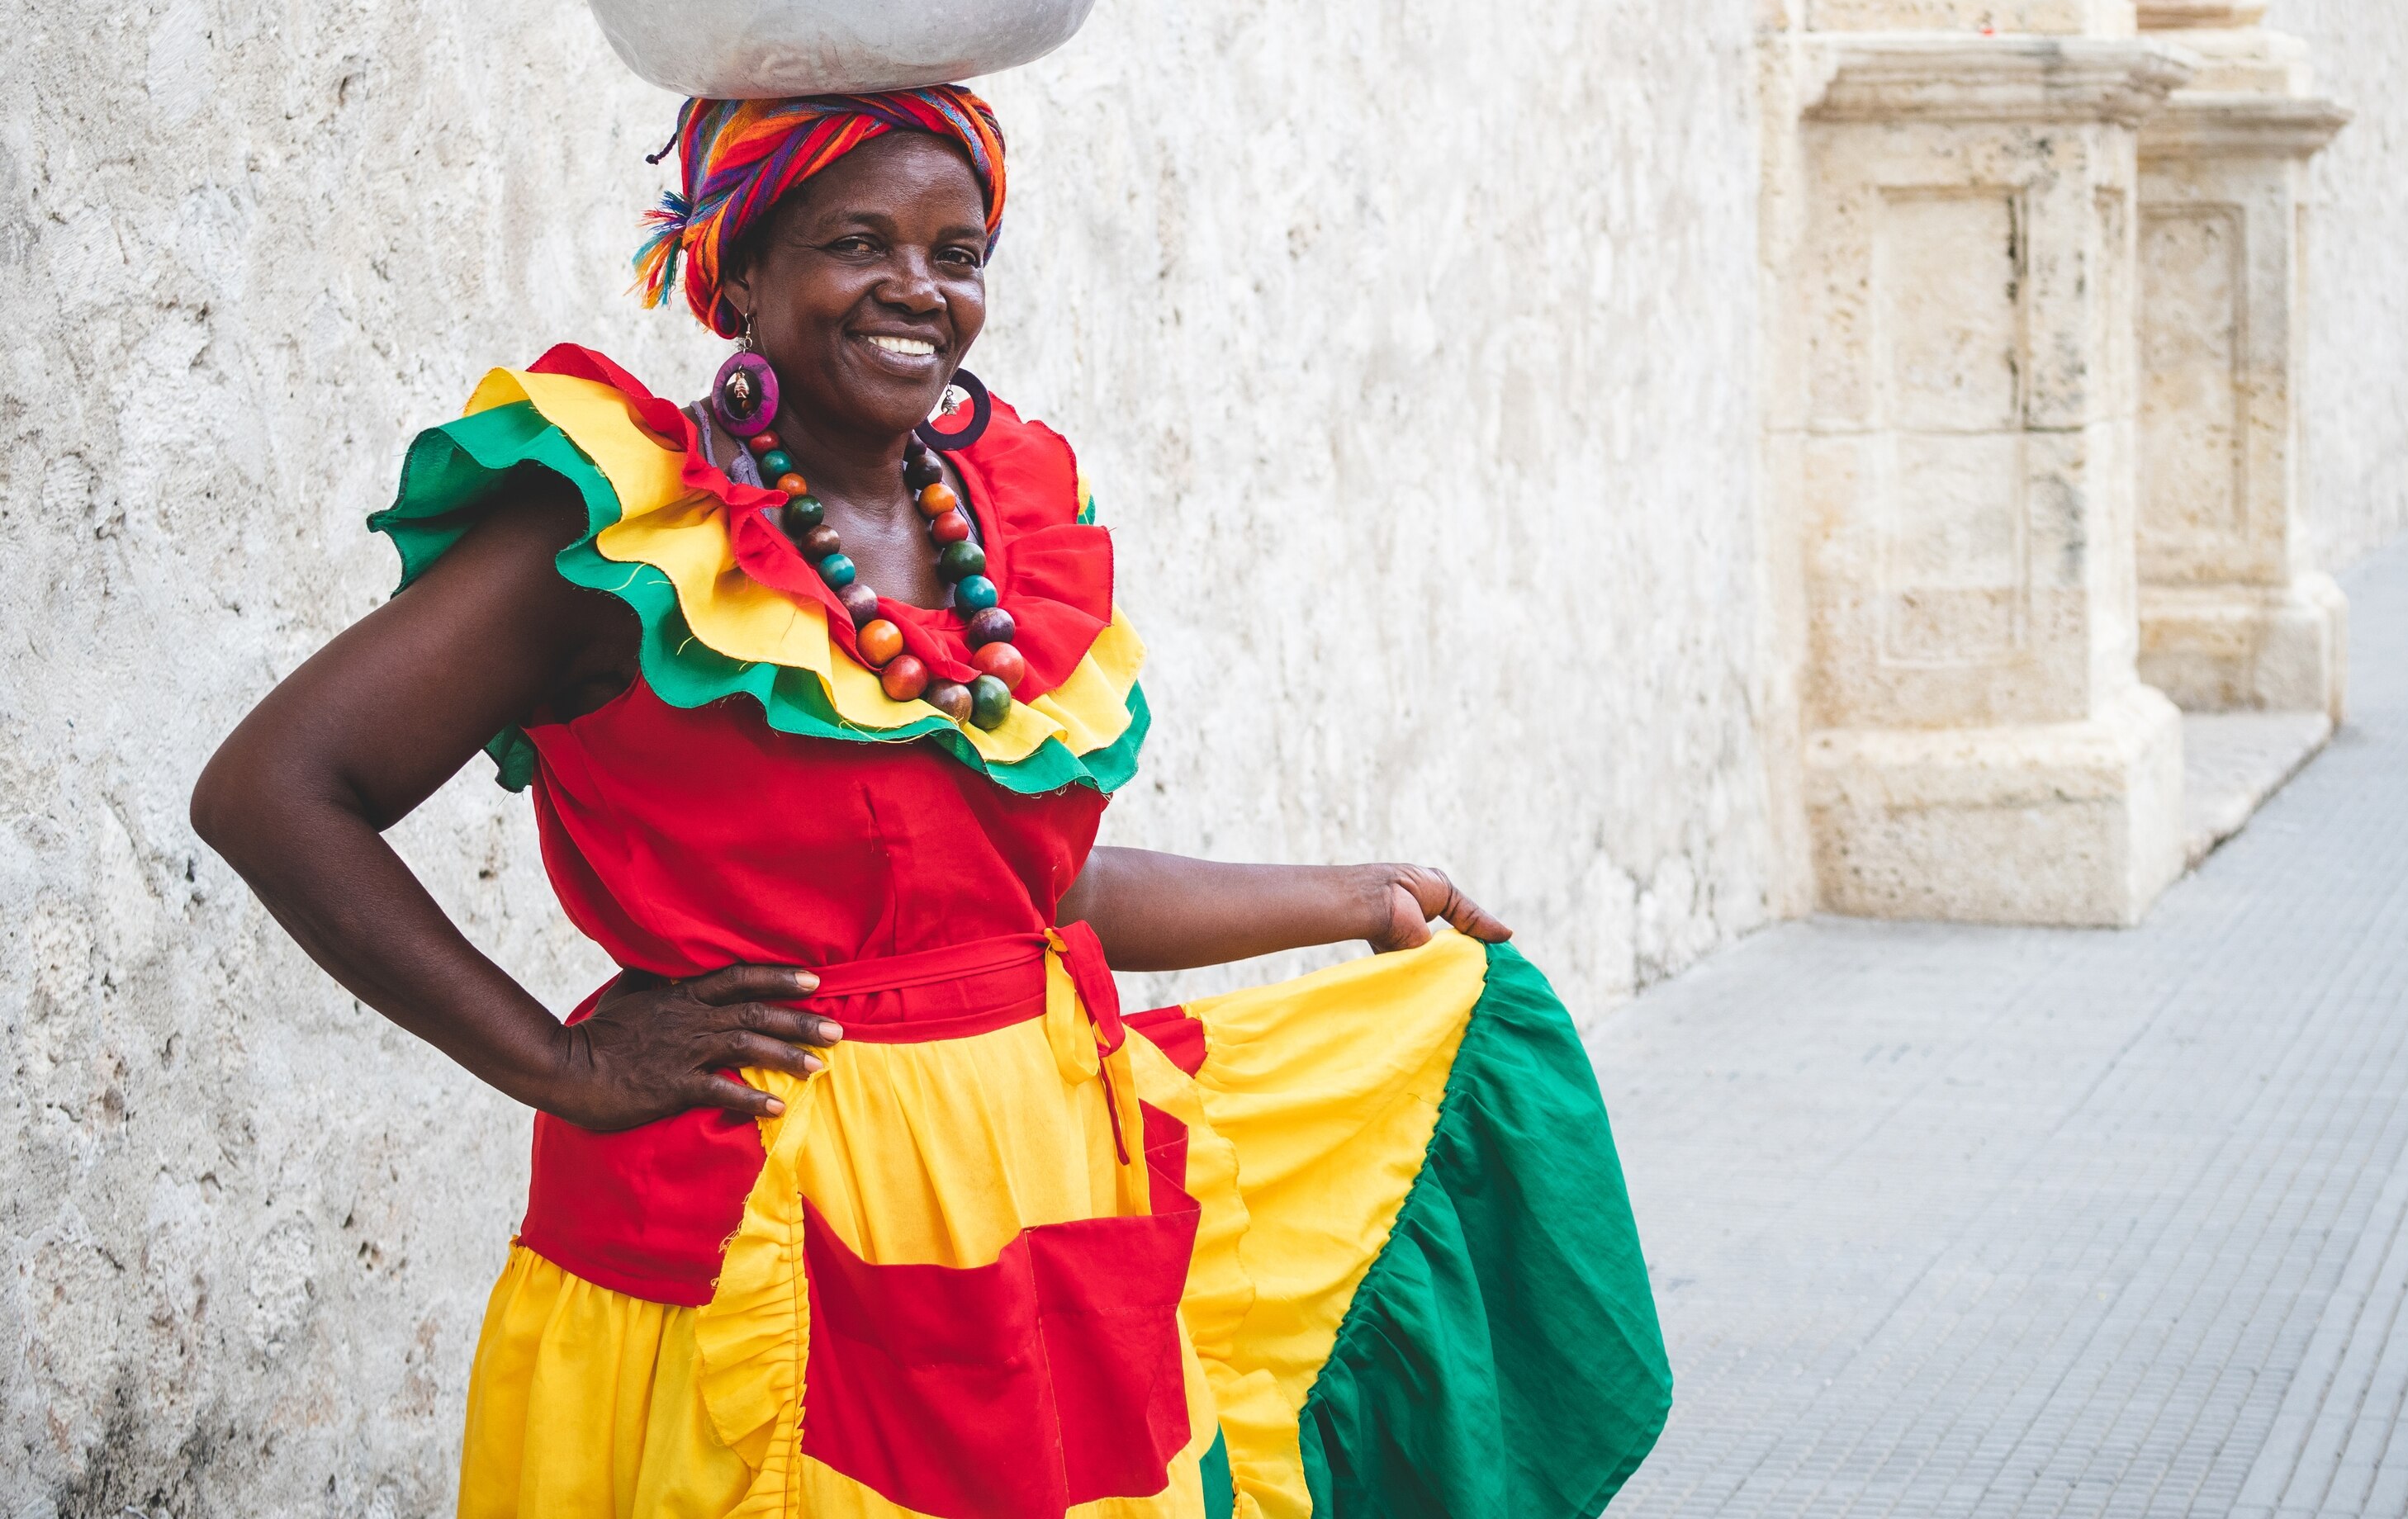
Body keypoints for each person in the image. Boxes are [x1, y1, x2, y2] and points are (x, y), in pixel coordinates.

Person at [192, 87, 1670, 1519]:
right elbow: (275, 792)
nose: (915, 288)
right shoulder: (617, 532)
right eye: (854, 243)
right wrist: (555, 1066)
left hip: (1031, 1203)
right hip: (755, 1220)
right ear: (739, 269)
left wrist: (1350, 895)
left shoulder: (1003, 533)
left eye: (955, 254)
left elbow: (1028, 902)